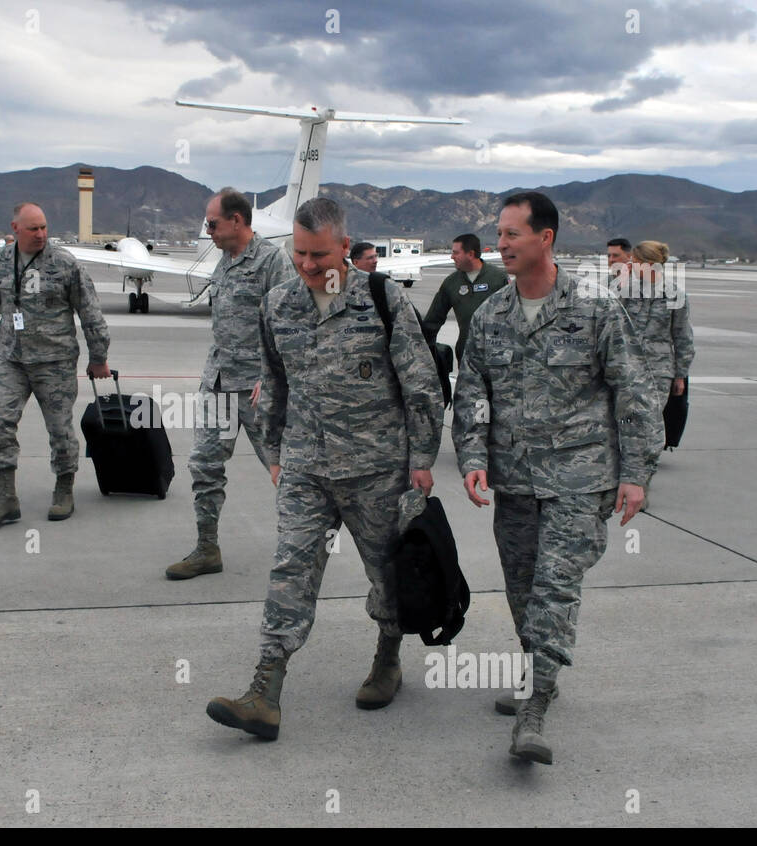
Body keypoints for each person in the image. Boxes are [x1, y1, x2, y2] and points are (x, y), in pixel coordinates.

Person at [205, 197, 444, 740]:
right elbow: (273, 386)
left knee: (385, 573)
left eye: (319, 255)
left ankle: (388, 657)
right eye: (298, 254)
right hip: (306, 469)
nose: (308, 266)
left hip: (377, 470)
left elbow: (421, 387)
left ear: (344, 246)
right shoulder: (278, 305)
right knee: (290, 570)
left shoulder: (382, 300)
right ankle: (264, 690)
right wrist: (274, 454)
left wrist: (423, 461)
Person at [451, 192, 662, 765]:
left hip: (580, 478)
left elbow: (633, 392)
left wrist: (636, 473)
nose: (501, 243)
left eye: (513, 234)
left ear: (545, 238)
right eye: (499, 233)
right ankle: (540, 672)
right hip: (515, 482)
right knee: (522, 591)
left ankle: (534, 709)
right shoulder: (491, 315)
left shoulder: (595, 309)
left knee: (553, 591)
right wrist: (472, 458)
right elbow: (472, 394)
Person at [165, 188, 296, 579]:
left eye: (213, 223)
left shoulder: (273, 262)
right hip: (219, 384)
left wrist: (272, 378)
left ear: (237, 221)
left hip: (258, 391)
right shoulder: (223, 261)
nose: (209, 231)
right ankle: (207, 549)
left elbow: (291, 325)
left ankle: (299, 551)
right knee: (204, 466)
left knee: (284, 471)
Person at [0, 202, 111, 527]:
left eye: (44, 227)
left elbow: (90, 312)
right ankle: (5, 497)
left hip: (56, 361)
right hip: (13, 360)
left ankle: (64, 490)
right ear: (16, 228)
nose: (41, 234)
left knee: (60, 430)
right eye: (33, 228)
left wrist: (99, 356)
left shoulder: (64, 264)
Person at [624, 240, 694, 407]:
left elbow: (683, 337)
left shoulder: (675, 295)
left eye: (635, 262)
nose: (631, 266)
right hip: (626, 368)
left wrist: (680, 375)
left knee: (651, 422)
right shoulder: (626, 290)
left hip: (658, 371)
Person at [420, 233, 509, 363]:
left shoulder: (498, 278)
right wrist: (423, 350)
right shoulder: (451, 283)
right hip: (466, 355)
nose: (452, 257)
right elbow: (432, 321)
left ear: (471, 254)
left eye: (456, 253)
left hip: (498, 355)